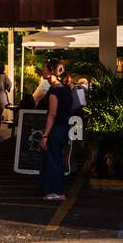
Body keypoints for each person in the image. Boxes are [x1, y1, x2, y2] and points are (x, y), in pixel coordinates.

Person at [39, 68, 75, 201]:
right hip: (64, 128)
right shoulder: (66, 89)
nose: (42, 71)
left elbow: (52, 114)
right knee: (58, 160)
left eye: (44, 68)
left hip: (55, 129)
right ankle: (58, 190)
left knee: (52, 160)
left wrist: (45, 135)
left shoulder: (54, 91)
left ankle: (55, 191)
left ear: (51, 72)